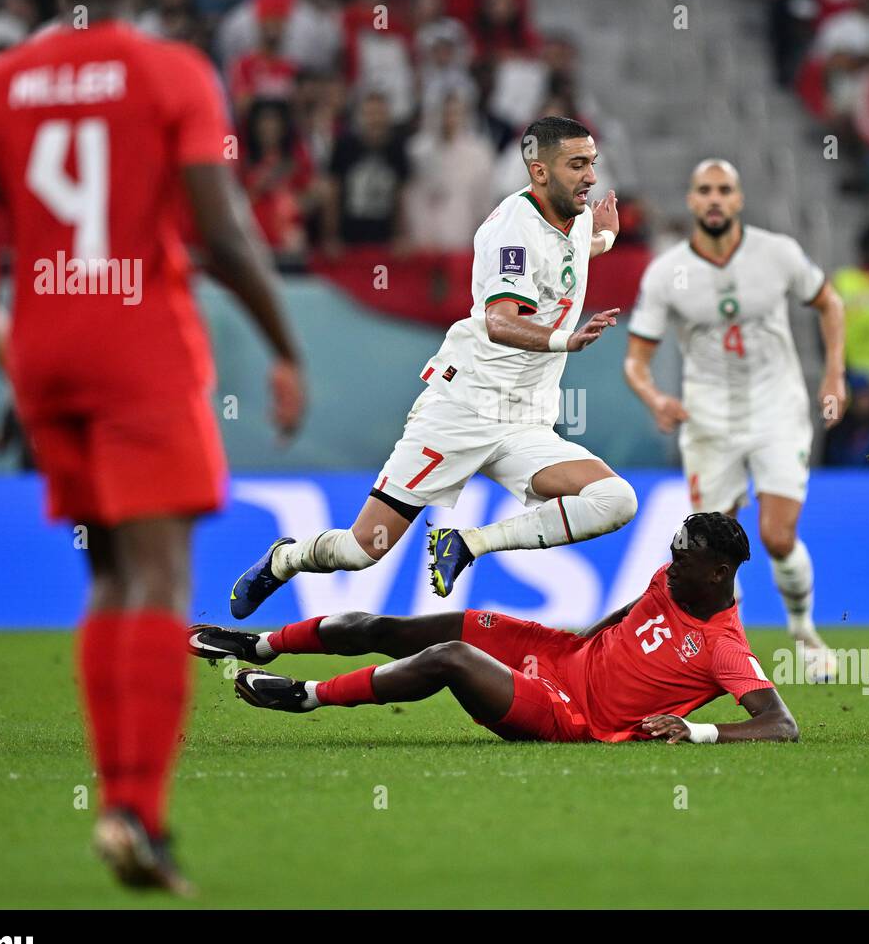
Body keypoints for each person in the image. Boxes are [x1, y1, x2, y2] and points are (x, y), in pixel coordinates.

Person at [0, 0, 306, 895]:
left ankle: (118, 800)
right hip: (139, 343)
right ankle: (136, 807)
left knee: (105, 573)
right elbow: (220, 232)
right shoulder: (172, 71)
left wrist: (1, 341)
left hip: (47, 347)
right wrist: (282, 343)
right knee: (160, 570)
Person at [230, 115, 636, 617]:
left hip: (524, 422)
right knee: (364, 549)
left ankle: (467, 543)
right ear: (539, 171)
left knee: (615, 500)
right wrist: (564, 341)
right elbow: (500, 321)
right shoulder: (513, 231)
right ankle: (286, 559)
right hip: (462, 410)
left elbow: (573, 254)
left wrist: (606, 240)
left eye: (592, 163)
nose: (591, 177)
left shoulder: (571, 219)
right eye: (577, 164)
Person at [192, 513, 798, 745]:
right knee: (393, 627)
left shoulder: (723, 647)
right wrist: (588, 641)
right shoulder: (676, 577)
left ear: (718, 572)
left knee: (449, 656)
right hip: (559, 654)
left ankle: (306, 697)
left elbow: (781, 726)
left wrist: (696, 733)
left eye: (682, 554)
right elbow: (632, 612)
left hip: (569, 714)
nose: (669, 559)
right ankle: (261, 643)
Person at [622, 159, 847, 682]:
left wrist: (834, 375)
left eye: (725, 189)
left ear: (739, 199)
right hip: (708, 421)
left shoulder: (778, 253)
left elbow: (830, 304)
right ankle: (732, 651)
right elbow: (635, 360)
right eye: (705, 190)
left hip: (777, 410)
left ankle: (804, 632)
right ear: (692, 201)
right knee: (712, 550)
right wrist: (655, 398)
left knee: (777, 536)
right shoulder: (666, 272)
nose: (715, 198)